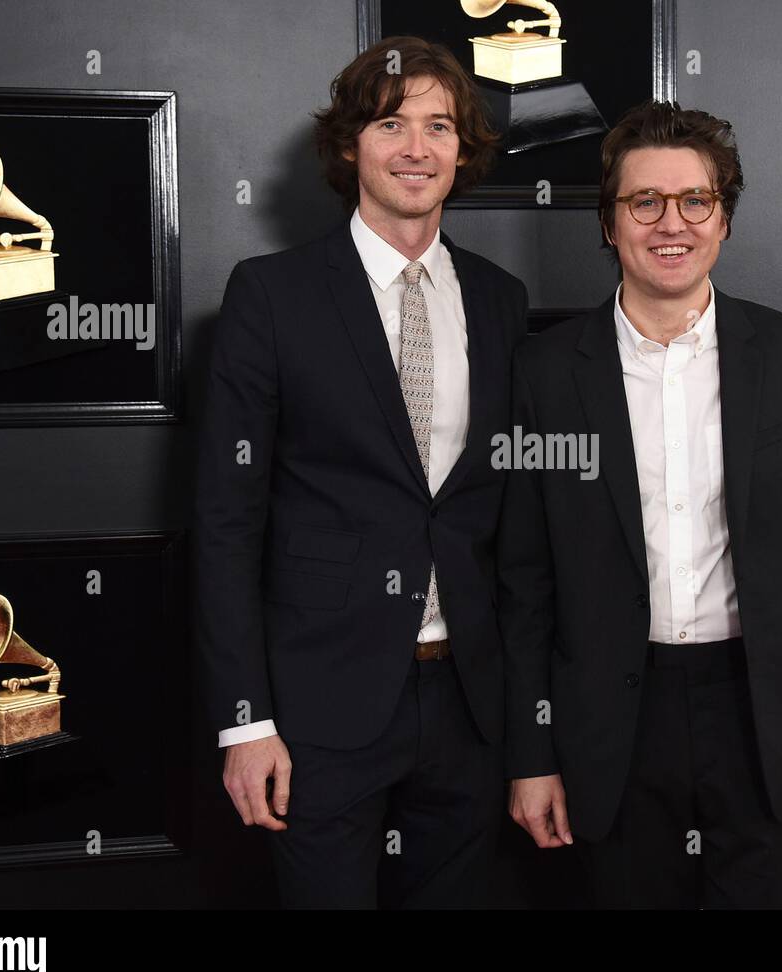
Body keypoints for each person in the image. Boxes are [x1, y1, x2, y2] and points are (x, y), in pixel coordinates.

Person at [498, 100, 782, 908]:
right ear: (609, 222)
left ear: (724, 220)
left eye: (695, 201)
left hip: (760, 715)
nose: (673, 224)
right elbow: (523, 584)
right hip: (610, 728)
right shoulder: (545, 371)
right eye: (645, 202)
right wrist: (531, 755)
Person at [193, 36, 528, 908]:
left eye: (439, 126)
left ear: (464, 148)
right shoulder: (271, 295)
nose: (417, 147)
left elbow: (509, 517)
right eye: (392, 123)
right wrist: (246, 720)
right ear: (351, 145)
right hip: (317, 707)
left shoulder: (498, 299)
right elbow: (228, 522)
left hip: (467, 700)